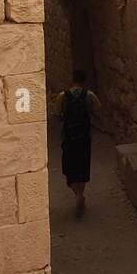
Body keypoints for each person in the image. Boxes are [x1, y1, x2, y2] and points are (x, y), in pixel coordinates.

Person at [52, 70, 100, 218]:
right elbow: (97, 111)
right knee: (83, 165)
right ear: (84, 81)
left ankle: (77, 194)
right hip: (84, 137)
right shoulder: (90, 95)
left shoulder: (62, 96)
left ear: (72, 80)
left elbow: (57, 115)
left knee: (69, 166)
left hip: (69, 137)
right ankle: (81, 193)